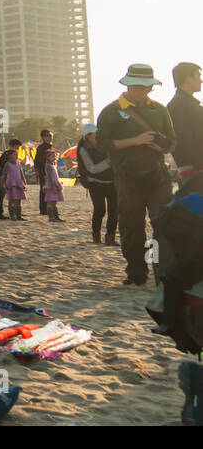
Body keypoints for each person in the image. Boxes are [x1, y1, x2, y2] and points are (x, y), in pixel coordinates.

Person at [96, 64, 176, 286]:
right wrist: (135, 141)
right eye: (137, 86)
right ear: (128, 84)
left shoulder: (160, 109)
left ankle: (162, 272)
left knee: (162, 225)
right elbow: (102, 144)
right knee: (132, 226)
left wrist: (161, 146)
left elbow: (172, 141)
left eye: (146, 86)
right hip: (127, 177)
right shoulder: (111, 111)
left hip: (157, 175)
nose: (142, 90)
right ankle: (136, 270)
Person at [77, 123, 118, 244]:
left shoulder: (105, 144)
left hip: (112, 181)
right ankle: (96, 237)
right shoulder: (83, 149)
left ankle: (110, 237)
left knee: (114, 210)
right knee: (100, 210)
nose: (98, 135)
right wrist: (108, 162)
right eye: (95, 133)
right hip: (95, 183)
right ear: (88, 135)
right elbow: (92, 169)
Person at [169, 62, 203, 196]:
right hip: (195, 170)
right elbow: (184, 140)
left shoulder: (189, 104)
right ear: (188, 79)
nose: (201, 80)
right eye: (198, 76)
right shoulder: (179, 105)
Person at [38, 147, 64, 222]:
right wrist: (53, 186)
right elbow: (49, 177)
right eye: (52, 156)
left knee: (54, 202)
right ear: (48, 157)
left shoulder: (53, 165)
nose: (54, 157)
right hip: (51, 185)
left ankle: (56, 217)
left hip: (55, 184)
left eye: (55, 156)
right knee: (50, 202)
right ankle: (51, 217)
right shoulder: (48, 166)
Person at [35, 129, 56, 215]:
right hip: (44, 171)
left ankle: (48, 208)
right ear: (43, 137)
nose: (50, 137)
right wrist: (40, 172)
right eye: (48, 135)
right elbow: (37, 161)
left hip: (50, 170)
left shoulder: (50, 146)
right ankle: (43, 209)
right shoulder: (41, 147)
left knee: (50, 189)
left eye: (51, 135)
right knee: (44, 190)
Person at [2, 148, 26, 220]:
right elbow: (4, 174)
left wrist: (24, 182)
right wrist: (3, 184)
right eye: (14, 154)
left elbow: (21, 174)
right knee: (11, 199)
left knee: (18, 200)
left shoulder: (18, 165)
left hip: (19, 184)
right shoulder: (7, 164)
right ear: (9, 156)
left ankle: (18, 215)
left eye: (16, 154)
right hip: (11, 184)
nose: (16, 155)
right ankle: (12, 215)